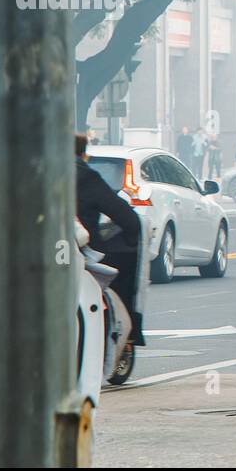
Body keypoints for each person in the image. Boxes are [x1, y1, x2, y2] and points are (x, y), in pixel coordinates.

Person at [75, 133, 145, 348]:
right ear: (84, 155)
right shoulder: (86, 177)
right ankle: (124, 334)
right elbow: (128, 220)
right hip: (78, 255)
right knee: (121, 267)